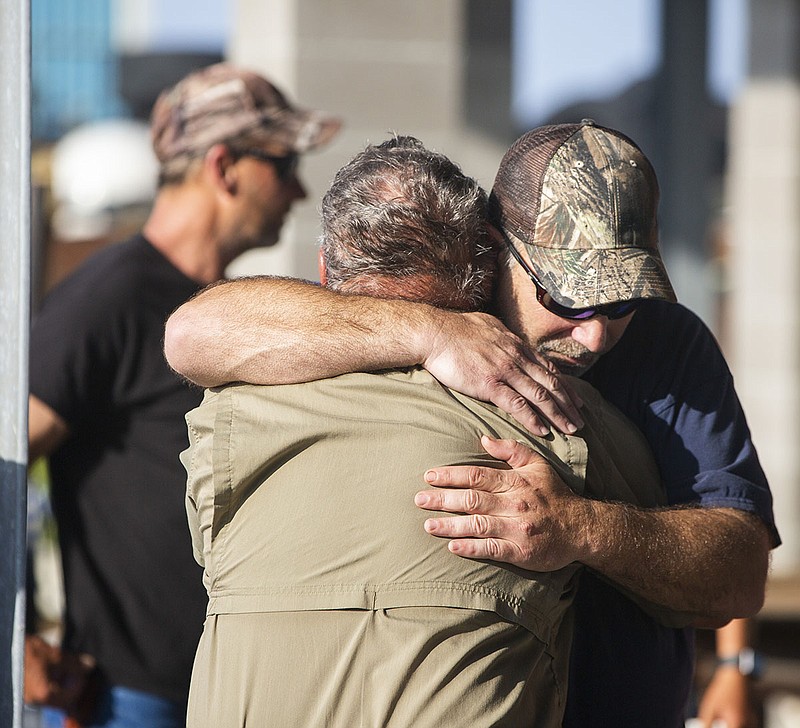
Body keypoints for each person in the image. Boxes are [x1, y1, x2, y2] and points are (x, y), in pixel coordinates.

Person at [164, 121, 778, 727]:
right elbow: (195, 332)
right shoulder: (432, 302)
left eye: (620, 301)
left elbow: (740, 575)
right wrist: (430, 332)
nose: (594, 334)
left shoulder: (668, 345)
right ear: (493, 249)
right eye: (567, 298)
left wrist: (580, 527)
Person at [25, 62, 340, 727]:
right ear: (224, 166)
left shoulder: (221, 306)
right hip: (126, 703)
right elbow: (6, 450)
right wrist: (13, 634)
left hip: (224, 690)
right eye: (283, 166)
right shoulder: (108, 298)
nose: (298, 189)